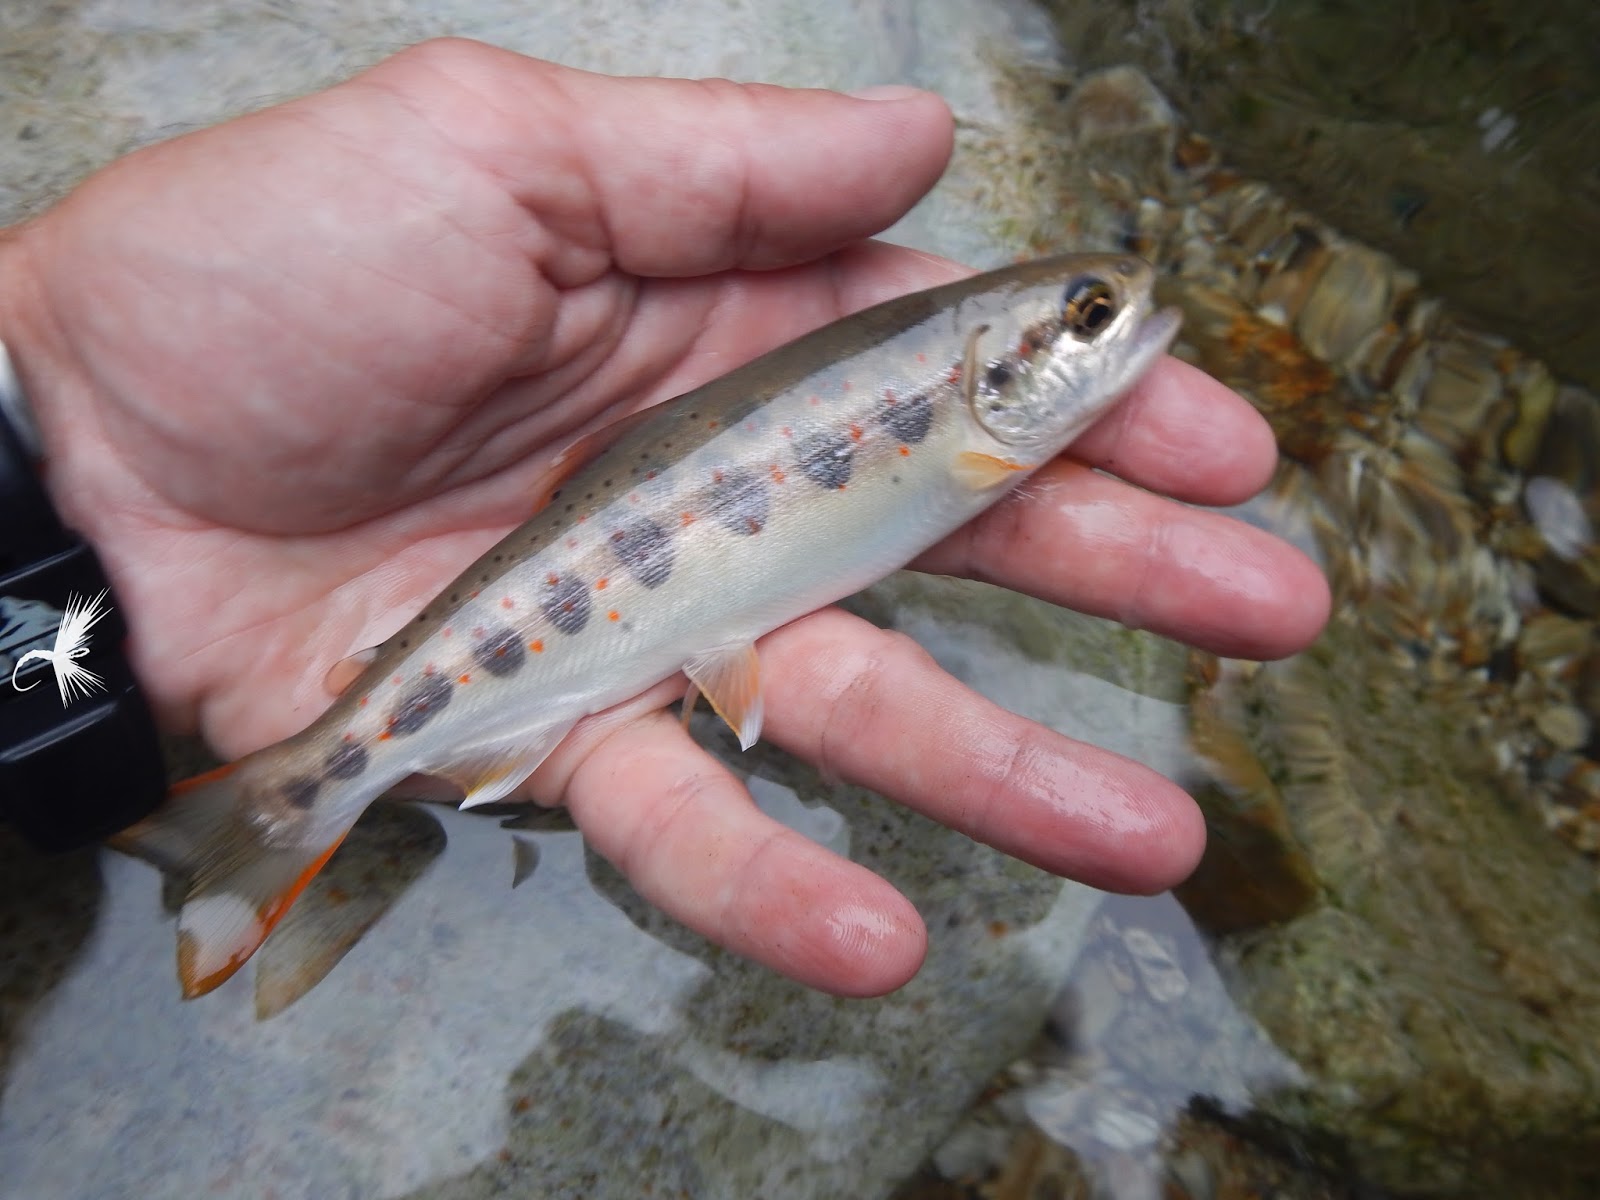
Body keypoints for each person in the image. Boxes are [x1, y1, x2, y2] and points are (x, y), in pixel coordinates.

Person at [0, 40, 1328, 995]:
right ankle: (290, 795)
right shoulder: (970, 418)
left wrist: (33, 394)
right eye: (1091, 319)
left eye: (1090, 317)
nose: (1117, 328)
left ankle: (261, 803)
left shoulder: (972, 407)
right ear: (1004, 363)